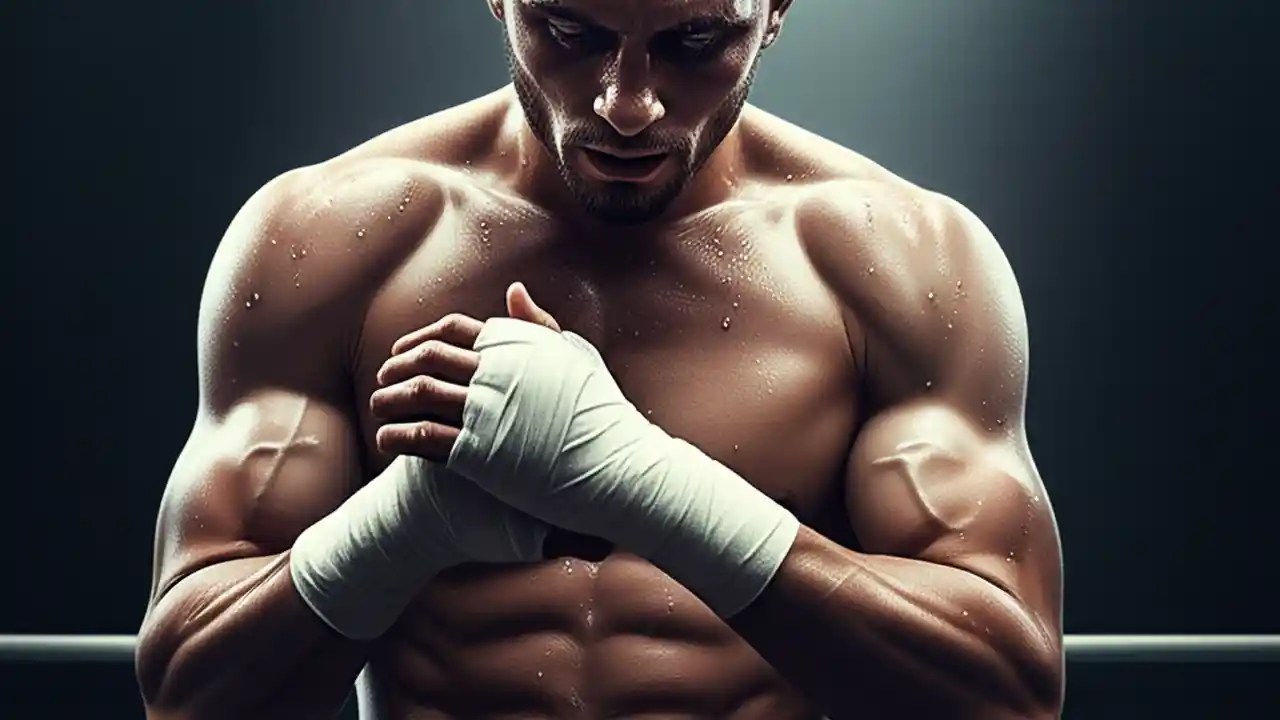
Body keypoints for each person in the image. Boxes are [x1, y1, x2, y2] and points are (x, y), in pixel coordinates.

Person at [135, 1, 1065, 718]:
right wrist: (409, 522)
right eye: (570, 31)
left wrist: (637, 482)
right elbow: (185, 692)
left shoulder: (900, 260)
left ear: (775, 9)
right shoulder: (326, 240)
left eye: (695, 43)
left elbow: (1010, 695)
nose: (628, 104)